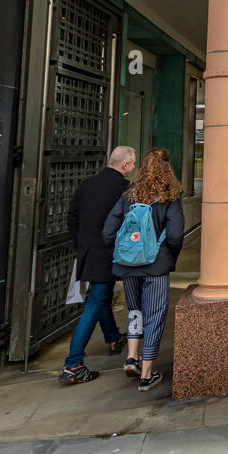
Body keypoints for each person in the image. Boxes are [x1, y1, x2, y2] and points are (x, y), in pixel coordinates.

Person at [102, 147, 185, 389]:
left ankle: (131, 356)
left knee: (135, 310)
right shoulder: (170, 197)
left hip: (128, 264)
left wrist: (123, 252)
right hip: (156, 265)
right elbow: (175, 235)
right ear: (167, 170)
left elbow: (108, 231)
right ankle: (147, 372)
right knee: (155, 315)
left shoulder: (129, 195)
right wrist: (170, 256)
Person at [59, 145, 136, 385]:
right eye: (132, 164)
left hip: (88, 252)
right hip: (108, 253)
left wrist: (82, 244)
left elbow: (72, 218)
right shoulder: (124, 189)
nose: (132, 168)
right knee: (95, 303)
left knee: (100, 296)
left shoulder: (87, 184)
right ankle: (73, 364)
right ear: (125, 165)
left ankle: (113, 338)